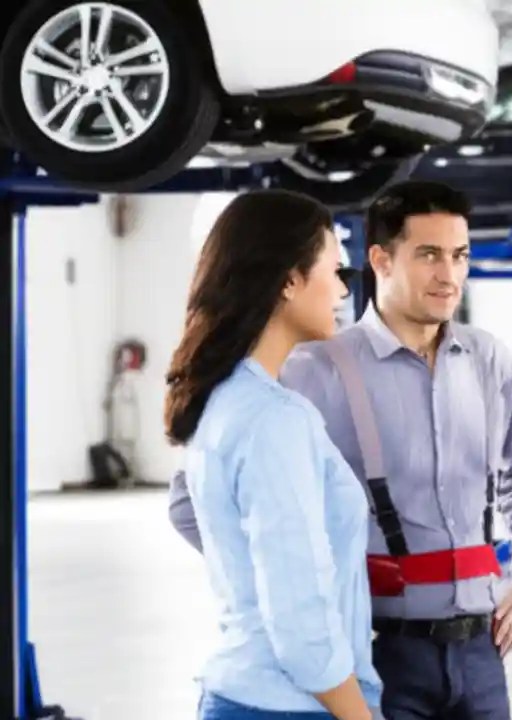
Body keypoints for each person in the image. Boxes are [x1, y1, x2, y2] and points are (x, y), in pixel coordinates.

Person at [171, 180, 512, 720]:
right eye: (429, 256)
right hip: (380, 650)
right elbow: (196, 505)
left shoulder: (488, 361)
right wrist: (296, 588)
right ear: (381, 259)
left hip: (479, 650)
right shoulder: (309, 371)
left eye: (460, 256)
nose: (449, 275)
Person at [163, 190, 380, 720]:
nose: (342, 289)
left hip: (245, 693)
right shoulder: (275, 419)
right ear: (288, 280)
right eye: (334, 270)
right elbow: (301, 625)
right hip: (288, 706)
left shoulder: (225, 400)